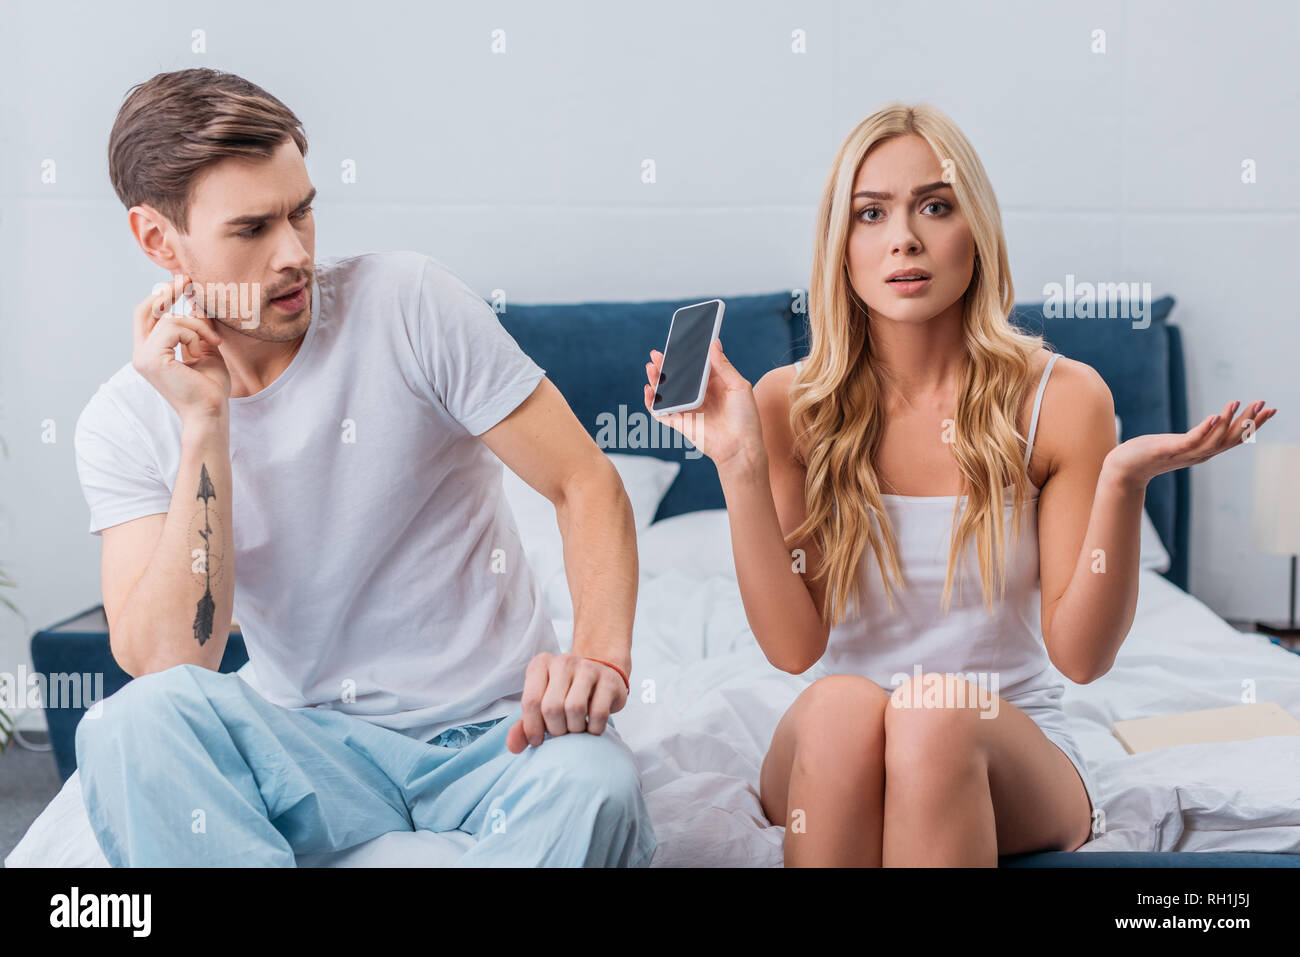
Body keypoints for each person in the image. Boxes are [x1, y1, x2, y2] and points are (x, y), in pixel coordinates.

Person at [642, 102, 1275, 866]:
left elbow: (1080, 659)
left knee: (932, 712)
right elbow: (792, 648)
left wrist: (1120, 483)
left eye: (933, 207)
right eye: (870, 213)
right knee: (844, 704)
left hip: (1003, 743)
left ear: (976, 231)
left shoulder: (1065, 400)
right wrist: (738, 465)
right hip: (837, 745)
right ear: (841, 247)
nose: (904, 237)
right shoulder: (785, 404)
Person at [73, 68, 655, 867]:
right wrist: (205, 421)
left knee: (600, 788)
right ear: (157, 240)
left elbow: (583, 481)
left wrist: (598, 656)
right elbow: (174, 660)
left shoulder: (409, 304)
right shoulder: (123, 419)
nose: (293, 255)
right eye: (252, 230)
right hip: (312, 750)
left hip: (502, 737)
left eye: (302, 212)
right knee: (127, 725)